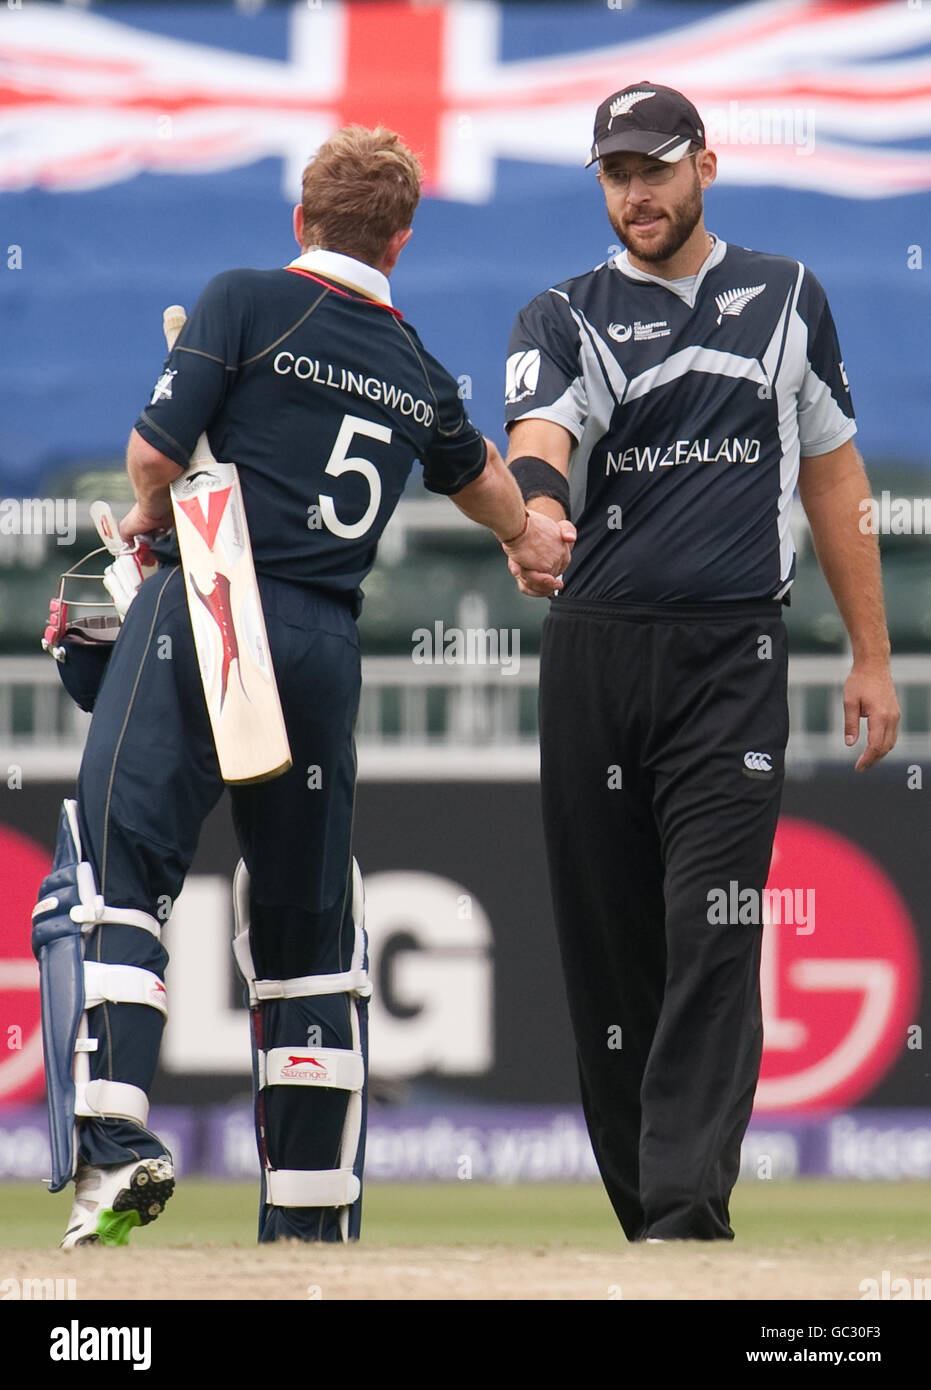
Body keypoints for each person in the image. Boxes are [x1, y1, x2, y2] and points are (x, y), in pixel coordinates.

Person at [31, 125, 574, 1248]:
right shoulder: (414, 361)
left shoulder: (245, 298)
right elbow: (477, 473)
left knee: (119, 877)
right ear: (400, 239)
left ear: (300, 218)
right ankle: (310, 1227)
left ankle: (117, 1145)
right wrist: (528, 537)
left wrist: (147, 523)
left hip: (213, 601)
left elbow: (153, 456)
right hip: (323, 643)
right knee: (306, 939)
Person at [502, 83, 899, 1241]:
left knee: (714, 927)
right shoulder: (560, 314)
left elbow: (833, 473)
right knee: (610, 953)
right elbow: (539, 441)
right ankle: (649, 1220)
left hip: (731, 656)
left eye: (655, 169)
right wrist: (536, 515)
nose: (637, 193)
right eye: (616, 174)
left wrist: (871, 654)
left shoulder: (786, 296)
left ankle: (685, 1212)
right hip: (596, 654)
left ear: (704, 167)